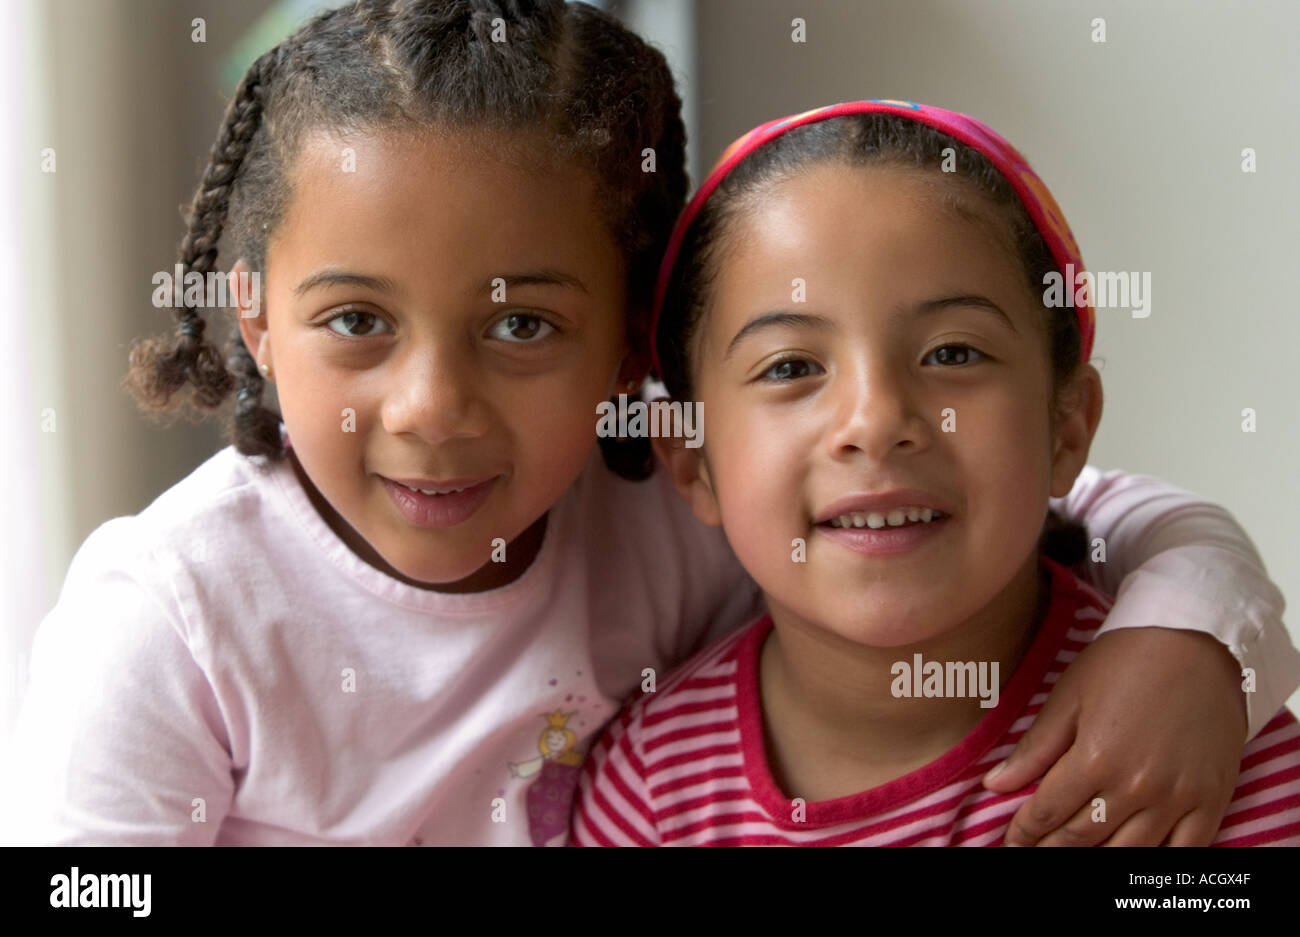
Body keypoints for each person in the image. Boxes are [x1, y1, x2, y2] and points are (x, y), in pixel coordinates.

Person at [2, 6, 1293, 846]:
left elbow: (1091, 509)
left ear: (629, 349)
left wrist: (1195, 640)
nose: (433, 405)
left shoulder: (674, 514)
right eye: (356, 323)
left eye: (522, 329)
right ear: (254, 324)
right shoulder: (168, 617)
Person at [571, 101, 1300, 846]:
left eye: (953, 353)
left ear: (1068, 424)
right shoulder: (650, 791)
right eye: (791, 366)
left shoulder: (1184, 758)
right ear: (694, 461)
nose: (877, 419)